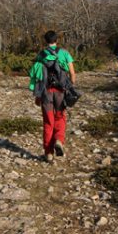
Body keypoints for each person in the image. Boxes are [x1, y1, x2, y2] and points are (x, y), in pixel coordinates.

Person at [28, 30, 76, 163]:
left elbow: (37, 77)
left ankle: (48, 153)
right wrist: (70, 88)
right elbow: (72, 74)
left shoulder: (41, 55)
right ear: (57, 40)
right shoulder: (64, 53)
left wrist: (37, 96)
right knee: (60, 117)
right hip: (60, 92)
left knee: (48, 122)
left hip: (46, 92)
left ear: (45, 41)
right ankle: (59, 140)